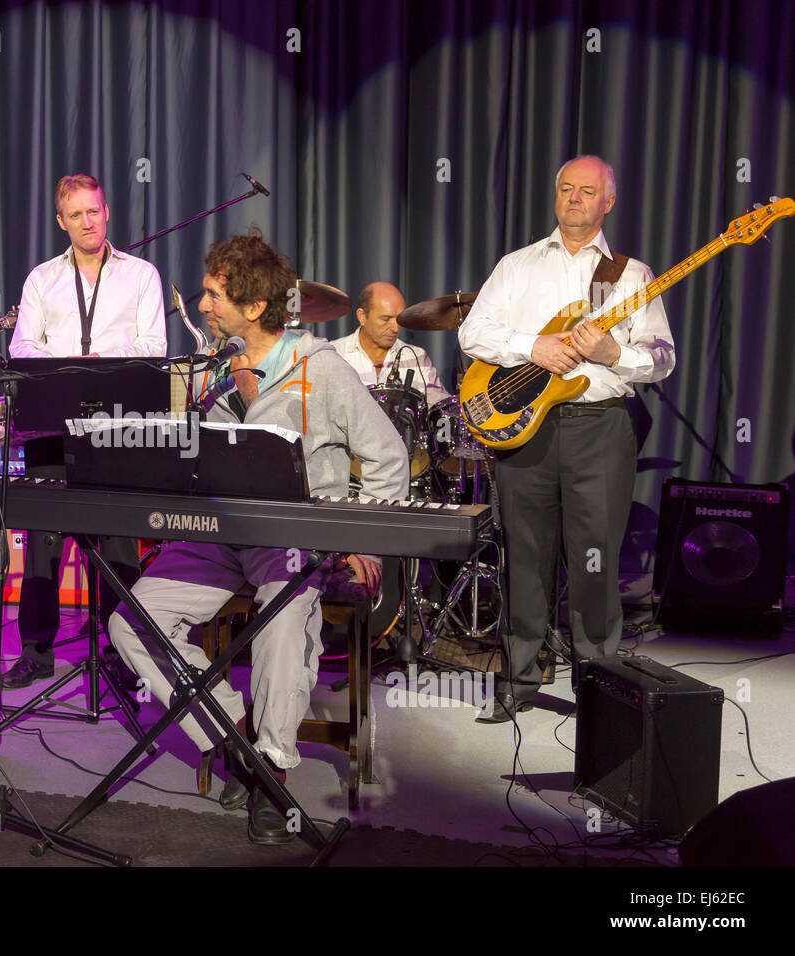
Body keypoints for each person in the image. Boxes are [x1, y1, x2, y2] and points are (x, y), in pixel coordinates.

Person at [106, 230, 409, 844]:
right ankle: (233, 737)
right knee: (130, 620)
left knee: (279, 617)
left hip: (291, 537)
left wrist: (362, 540)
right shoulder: (214, 368)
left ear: (253, 307)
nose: (202, 303)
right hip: (219, 535)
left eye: (214, 294)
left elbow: (388, 458)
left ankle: (273, 769)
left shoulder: (319, 367)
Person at [458, 155, 675, 723]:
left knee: (595, 564)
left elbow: (661, 358)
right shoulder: (517, 265)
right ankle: (518, 678)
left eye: (587, 190)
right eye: (565, 188)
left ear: (609, 201)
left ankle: (598, 686)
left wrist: (613, 353)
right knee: (524, 559)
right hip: (525, 429)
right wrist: (533, 347)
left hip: (600, 429)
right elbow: (471, 331)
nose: (574, 198)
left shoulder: (631, 274)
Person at [2, 173, 167, 689]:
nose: (86, 221)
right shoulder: (41, 278)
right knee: (42, 540)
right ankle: (36, 649)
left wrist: (105, 363)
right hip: (54, 423)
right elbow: (22, 348)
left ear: (107, 211)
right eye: (75, 215)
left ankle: (122, 649)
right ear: (61, 222)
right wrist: (73, 364)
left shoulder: (141, 275)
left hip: (119, 425)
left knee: (118, 543)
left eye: (92, 211)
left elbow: (155, 346)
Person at [330, 281, 451, 405]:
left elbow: (439, 408)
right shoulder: (334, 354)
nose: (395, 328)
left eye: (399, 319)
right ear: (362, 316)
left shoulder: (416, 357)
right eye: (386, 319)